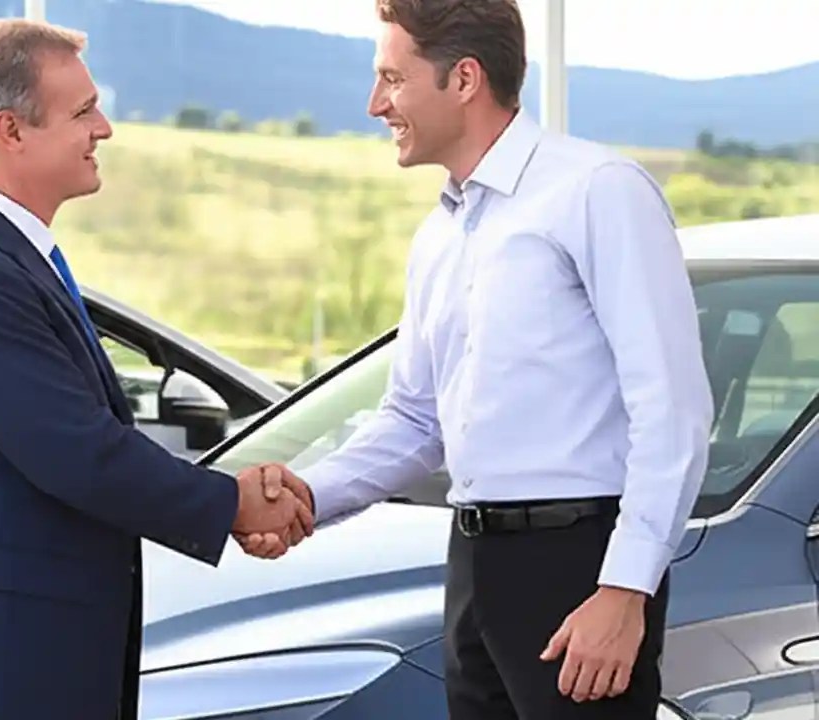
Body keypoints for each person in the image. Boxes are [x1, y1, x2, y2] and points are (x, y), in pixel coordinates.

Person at [238, 1, 714, 718]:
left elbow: (672, 410)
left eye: (392, 79)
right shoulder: (441, 233)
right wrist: (307, 496)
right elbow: (412, 419)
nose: (376, 105)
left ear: (464, 78)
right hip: (473, 570)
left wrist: (624, 590)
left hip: (579, 570)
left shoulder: (598, 191)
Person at [0, 18, 312, 720]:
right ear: (11, 130)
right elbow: (77, 452)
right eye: (82, 111)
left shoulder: (5, 257)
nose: (103, 128)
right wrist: (230, 505)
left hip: (21, 662)